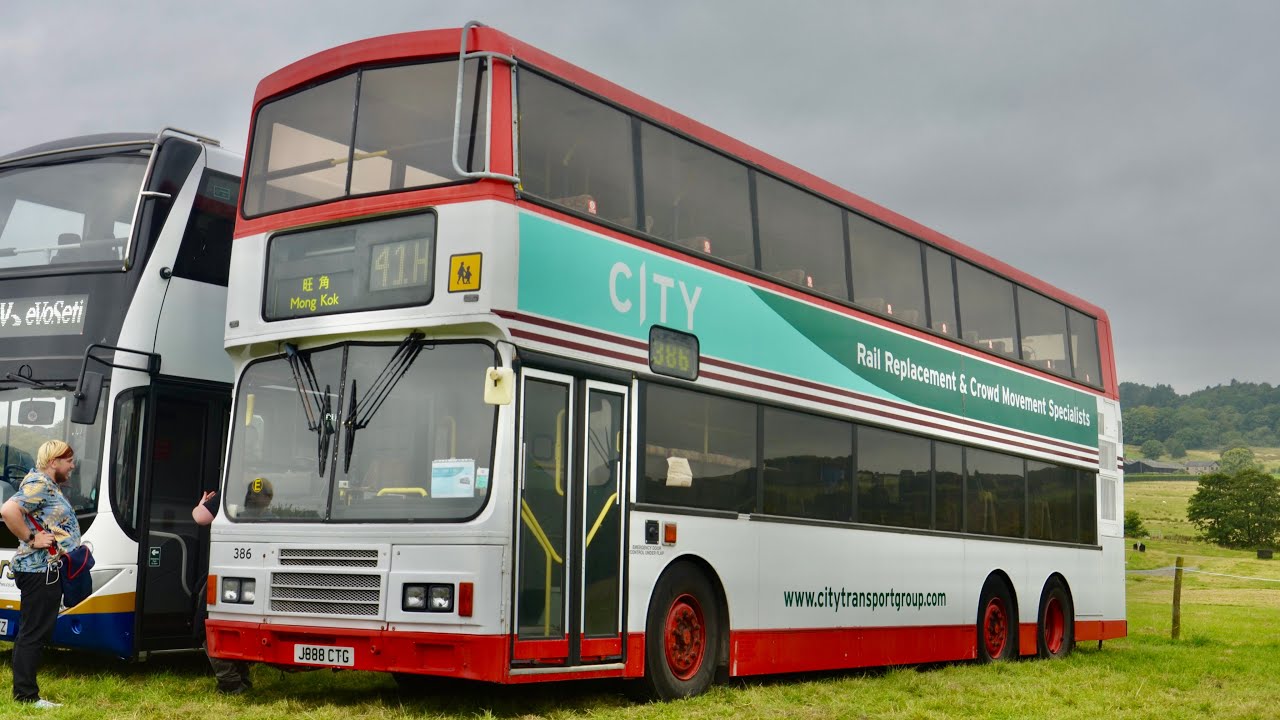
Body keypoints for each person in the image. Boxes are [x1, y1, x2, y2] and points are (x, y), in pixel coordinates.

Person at [0, 440, 83, 708]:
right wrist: (32, 538)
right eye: (68, 460)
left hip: (44, 571)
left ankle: (26, 692)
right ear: (53, 461)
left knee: (34, 631)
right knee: (32, 633)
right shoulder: (40, 485)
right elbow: (8, 509)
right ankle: (26, 696)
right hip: (40, 571)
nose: (73, 465)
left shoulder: (48, 485)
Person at [191, 489, 253, 695]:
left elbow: (200, 517)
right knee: (233, 625)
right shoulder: (262, 501)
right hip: (249, 569)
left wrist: (202, 505)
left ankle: (230, 681)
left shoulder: (229, 492)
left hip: (225, 569)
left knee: (205, 626)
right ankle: (242, 677)